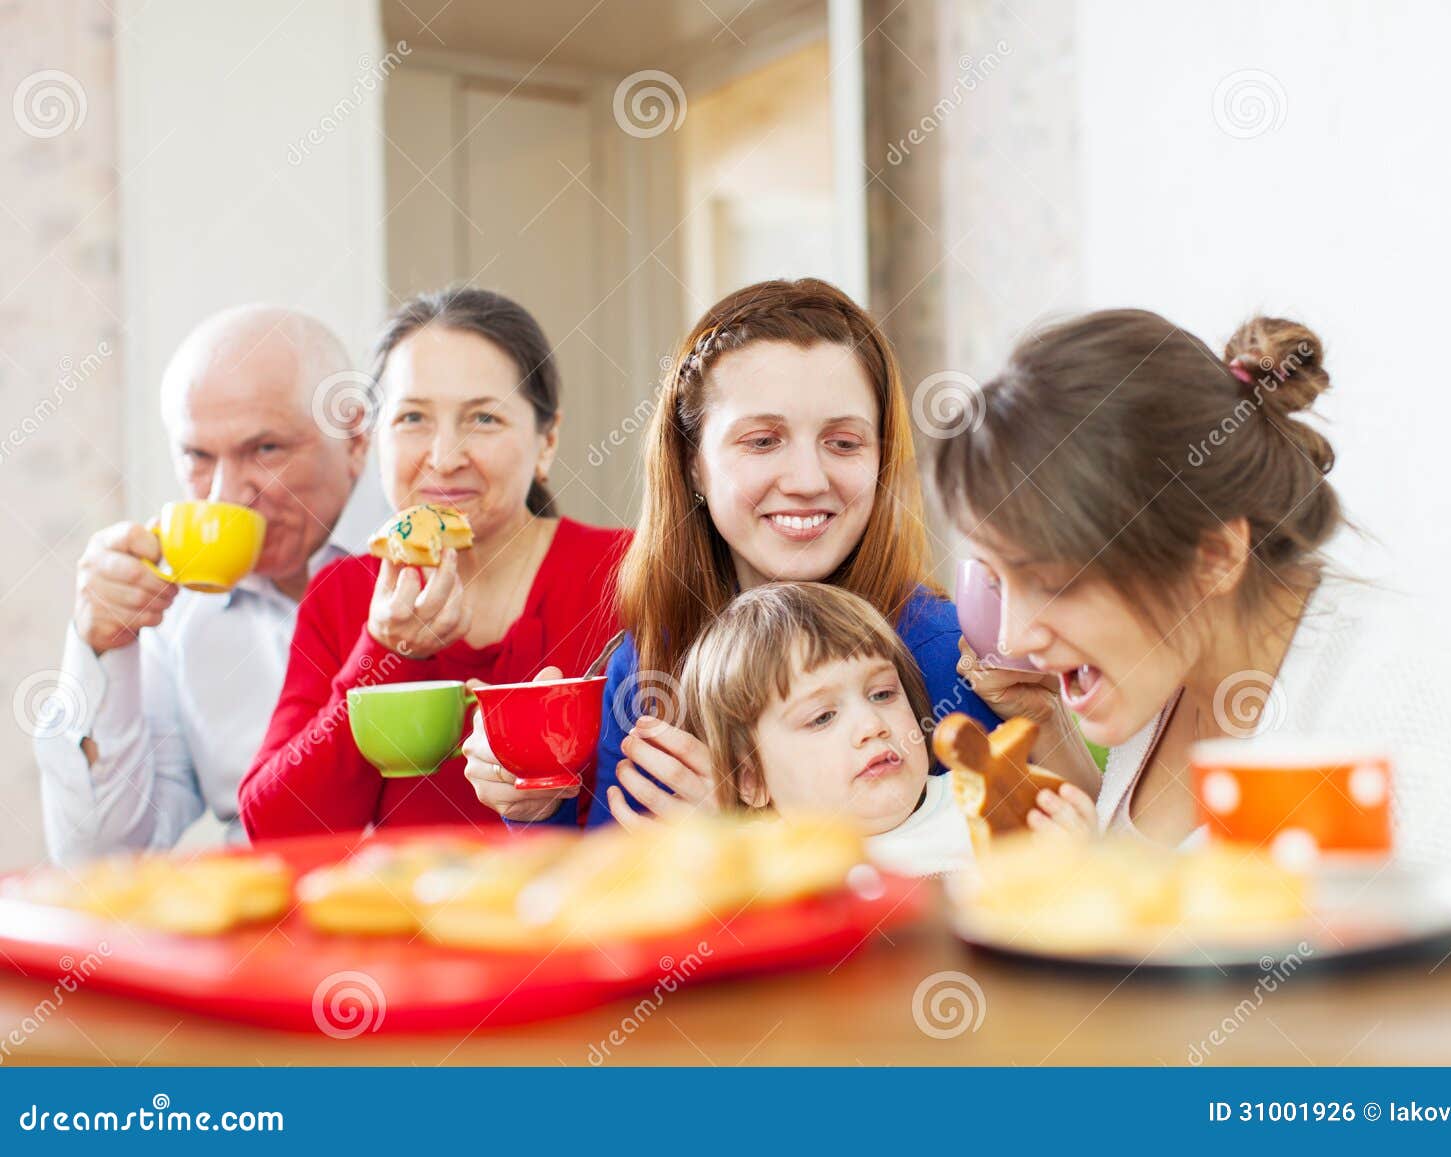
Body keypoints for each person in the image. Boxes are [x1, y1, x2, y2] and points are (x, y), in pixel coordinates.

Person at [929, 309, 1451, 885]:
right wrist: (1052, 731)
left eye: (1052, 580)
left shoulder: (1392, 704)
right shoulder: (1169, 671)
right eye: (995, 579)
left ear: (1214, 557)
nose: (1012, 637)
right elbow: (1164, 878)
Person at [464, 278, 1099, 827]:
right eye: (763, 440)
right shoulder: (647, 663)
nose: (807, 478)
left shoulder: (941, 655)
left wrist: (744, 848)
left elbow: (982, 884)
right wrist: (537, 808)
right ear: (693, 465)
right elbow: (609, 910)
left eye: (844, 442)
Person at [238, 287, 629, 838]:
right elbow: (278, 830)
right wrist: (384, 652)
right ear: (376, 441)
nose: (444, 459)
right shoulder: (343, 594)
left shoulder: (631, 572)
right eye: (413, 418)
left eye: (484, 419)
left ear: (547, 442)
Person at [36, 306, 369, 862]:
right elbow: (105, 858)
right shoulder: (177, 614)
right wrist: (103, 649)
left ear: (355, 438)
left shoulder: (434, 548)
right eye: (197, 456)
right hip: (267, 927)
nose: (227, 495)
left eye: (265, 449)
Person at [678, 581, 976, 876]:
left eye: (882, 694)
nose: (872, 726)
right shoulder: (762, 869)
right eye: (822, 717)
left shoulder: (979, 798)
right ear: (752, 780)